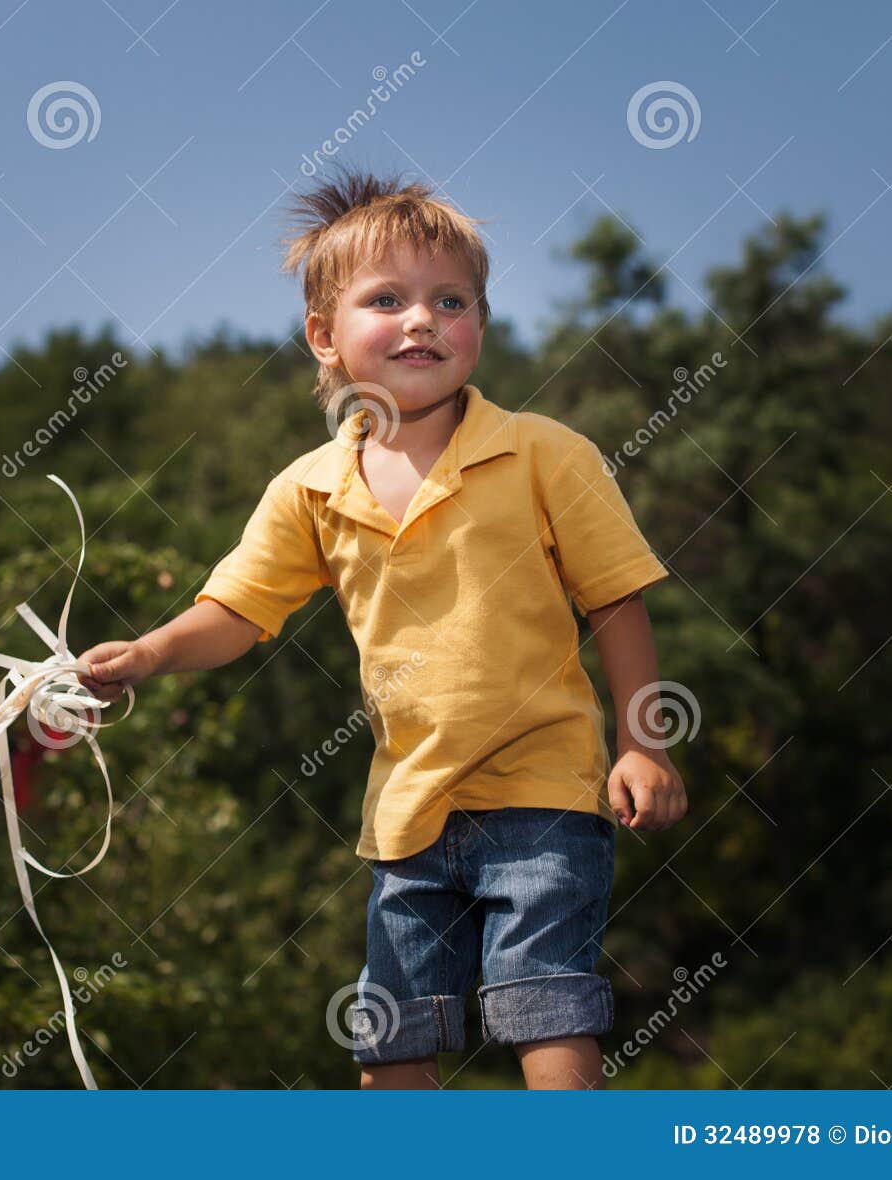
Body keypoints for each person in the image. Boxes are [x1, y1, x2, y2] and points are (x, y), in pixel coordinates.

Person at [76, 168, 688, 1090]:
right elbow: (237, 611)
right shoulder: (312, 487)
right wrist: (153, 652)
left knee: (546, 1005)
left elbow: (617, 600)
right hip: (406, 814)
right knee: (392, 1035)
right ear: (325, 336)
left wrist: (643, 744)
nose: (422, 321)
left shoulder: (545, 453)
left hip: (544, 792)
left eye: (451, 300)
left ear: (481, 324)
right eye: (387, 299)